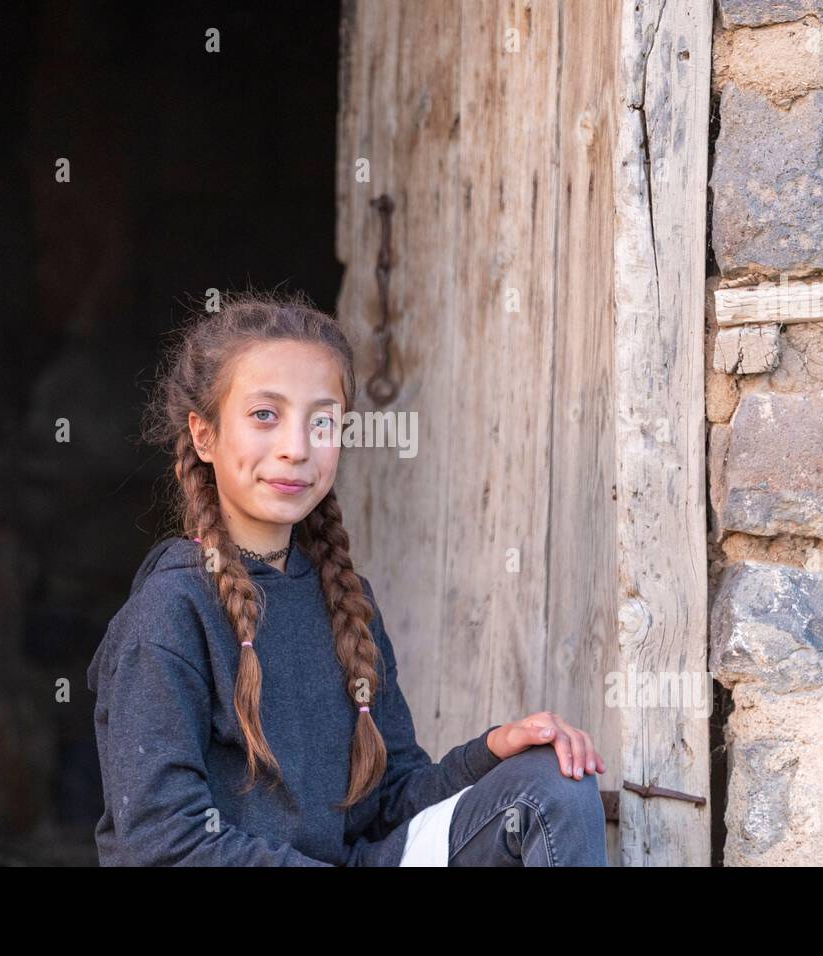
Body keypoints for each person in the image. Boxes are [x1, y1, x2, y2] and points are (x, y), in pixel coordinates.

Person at [87, 289, 608, 866]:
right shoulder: (171, 612)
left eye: (322, 422)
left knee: (550, 785)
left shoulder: (345, 604)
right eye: (265, 415)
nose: (296, 448)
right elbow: (159, 842)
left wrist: (489, 753)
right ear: (204, 434)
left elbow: (388, 808)